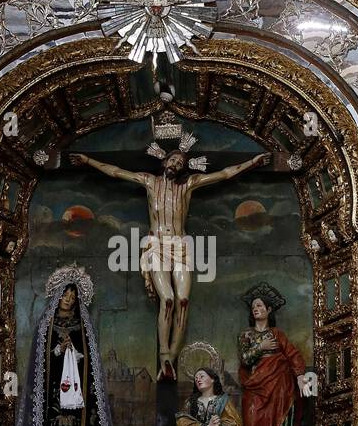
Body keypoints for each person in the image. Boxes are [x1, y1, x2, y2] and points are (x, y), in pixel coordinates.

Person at [72, 136, 269, 377]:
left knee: (183, 301)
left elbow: (224, 174)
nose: (176, 164)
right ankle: (164, 353)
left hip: (180, 246)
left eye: (180, 162)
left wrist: (252, 162)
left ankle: (171, 360)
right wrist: (88, 160)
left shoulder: (188, 185)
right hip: (156, 245)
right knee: (167, 299)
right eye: (173, 159)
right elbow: (115, 171)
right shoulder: (149, 181)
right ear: (164, 161)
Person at [8, 266, 117, 426]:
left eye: (73, 296)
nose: (69, 299)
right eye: (65, 295)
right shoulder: (46, 327)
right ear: (57, 296)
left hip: (77, 396)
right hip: (52, 394)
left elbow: (90, 362)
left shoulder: (83, 327)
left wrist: (75, 353)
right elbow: (41, 361)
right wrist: (58, 350)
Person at [238, 284, 311, 426]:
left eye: (260, 305)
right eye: (253, 306)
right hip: (255, 389)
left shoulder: (278, 334)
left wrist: (299, 378)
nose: (256, 309)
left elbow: (293, 355)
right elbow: (244, 359)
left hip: (280, 389)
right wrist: (260, 347)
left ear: (269, 310)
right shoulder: (246, 336)